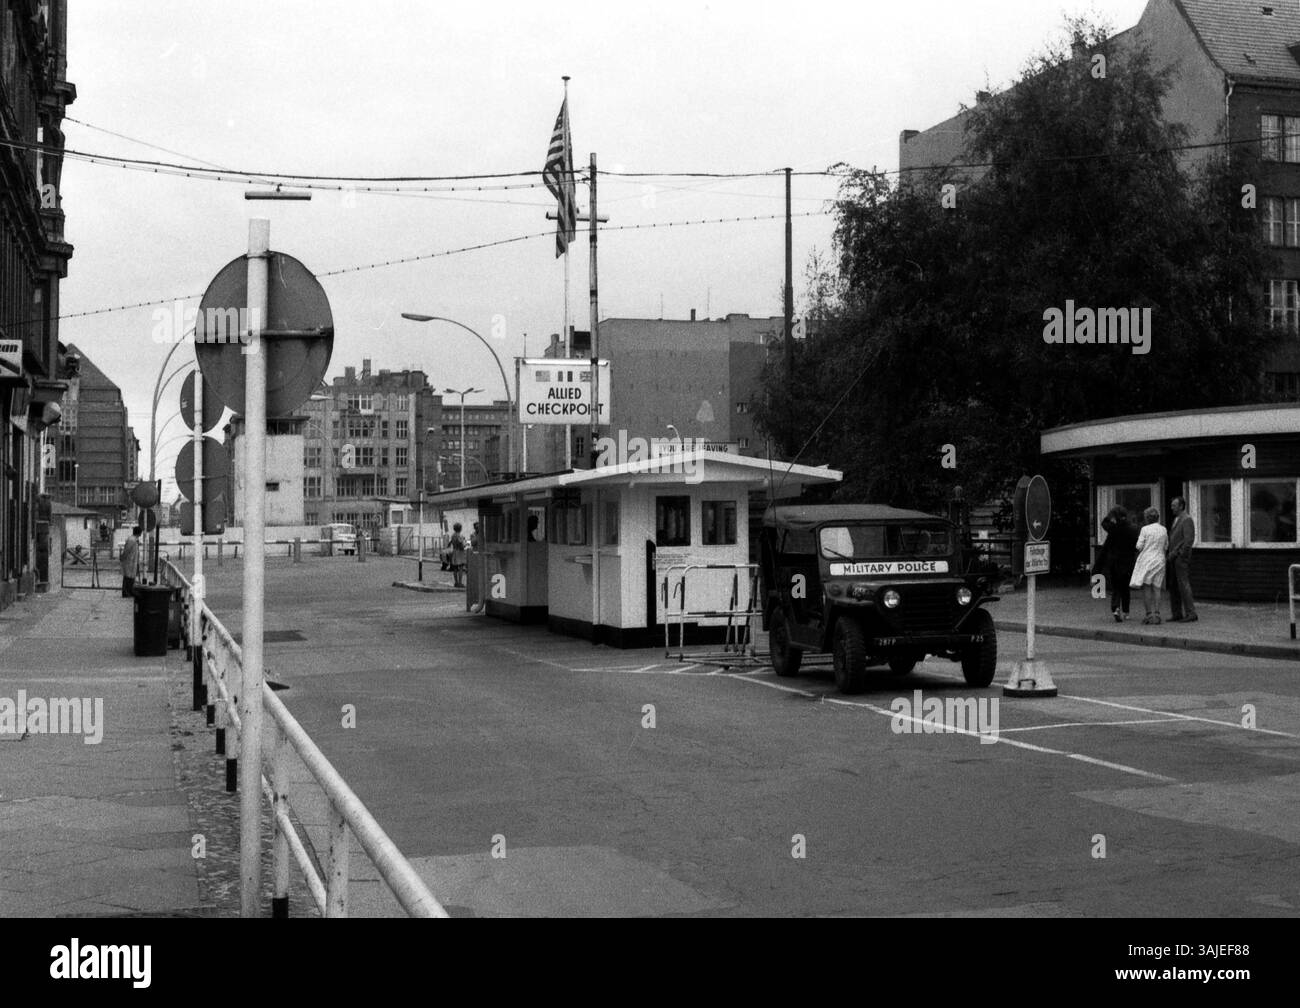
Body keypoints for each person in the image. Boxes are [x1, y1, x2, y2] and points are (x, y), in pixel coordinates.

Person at [1096, 506, 1138, 622]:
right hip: (1128, 561)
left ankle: (1116, 607)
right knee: (1125, 587)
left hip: (1114, 561)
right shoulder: (1132, 529)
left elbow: (1104, 523)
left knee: (1116, 586)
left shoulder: (1113, 529)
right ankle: (1126, 611)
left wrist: (1110, 516)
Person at [1129, 506, 1169, 624]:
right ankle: (1157, 614)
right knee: (1157, 588)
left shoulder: (1144, 529)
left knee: (1147, 587)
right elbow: (1166, 546)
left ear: (1147, 518)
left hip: (1147, 561)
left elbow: (1138, 546)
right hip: (1160, 560)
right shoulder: (1163, 529)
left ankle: (1148, 615)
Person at [1166, 496, 1198, 623]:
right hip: (1173, 557)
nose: (1172, 507)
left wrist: (1181, 555)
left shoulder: (1187, 519)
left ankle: (1191, 612)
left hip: (1179, 558)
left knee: (1183, 585)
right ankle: (1177, 613)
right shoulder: (1177, 519)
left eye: (1174, 505)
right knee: (1174, 585)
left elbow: (1188, 540)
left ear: (1181, 506)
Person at [120, 525, 142, 597]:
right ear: (139, 533)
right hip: (129, 562)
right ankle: (127, 592)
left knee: (129, 577)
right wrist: (123, 558)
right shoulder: (132, 540)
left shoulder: (134, 540)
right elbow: (126, 551)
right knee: (128, 577)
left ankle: (127, 592)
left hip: (131, 562)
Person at [449, 522, 467, 588]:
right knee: (461, 568)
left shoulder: (453, 535)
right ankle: (460, 582)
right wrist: (465, 544)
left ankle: (456, 582)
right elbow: (462, 545)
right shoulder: (460, 536)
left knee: (455, 568)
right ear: (460, 528)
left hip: (454, 551)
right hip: (459, 552)